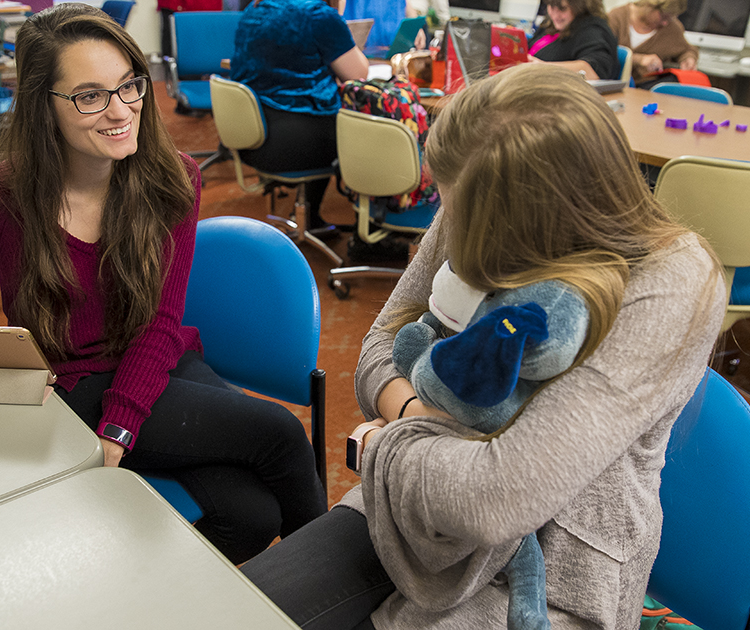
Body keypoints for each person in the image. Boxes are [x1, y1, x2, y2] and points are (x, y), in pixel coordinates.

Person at [241, 62, 725, 629]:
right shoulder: (478, 191)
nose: (448, 224)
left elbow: (493, 502)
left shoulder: (672, 280)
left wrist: (387, 444)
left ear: (541, 220)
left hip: (558, 573)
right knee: (238, 611)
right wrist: (416, 414)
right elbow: (380, 344)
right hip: (417, 513)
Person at [0, 3, 326, 565]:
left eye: (129, 86)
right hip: (69, 385)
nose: (120, 110)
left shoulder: (173, 178)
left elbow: (159, 322)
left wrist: (122, 426)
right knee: (278, 433)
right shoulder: (3, 194)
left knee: (250, 515)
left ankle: (156, 599)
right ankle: (331, 591)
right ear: (42, 107)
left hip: (153, 359)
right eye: (89, 96)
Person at [231, 0, 370, 239]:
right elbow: (358, 74)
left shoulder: (256, 9)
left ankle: (312, 217)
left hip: (253, 135)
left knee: (327, 118)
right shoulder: (319, 16)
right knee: (370, 132)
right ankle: (371, 234)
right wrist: (337, 13)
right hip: (295, 143)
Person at [607, 0, 698, 84]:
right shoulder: (616, 17)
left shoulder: (672, 27)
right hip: (612, 82)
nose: (665, 23)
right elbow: (605, 52)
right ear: (649, 6)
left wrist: (688, 58)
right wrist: (640, 59)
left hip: (646, 86)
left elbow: (686, 49)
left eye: (670, 18)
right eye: (664, 17)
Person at [528, 0, 619, 80]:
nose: (555, 14)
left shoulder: (593, 31)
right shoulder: (550, 25)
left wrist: (541, 68)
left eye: (562, 8)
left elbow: (593, 71)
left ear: (580, 7)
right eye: (551, 7)